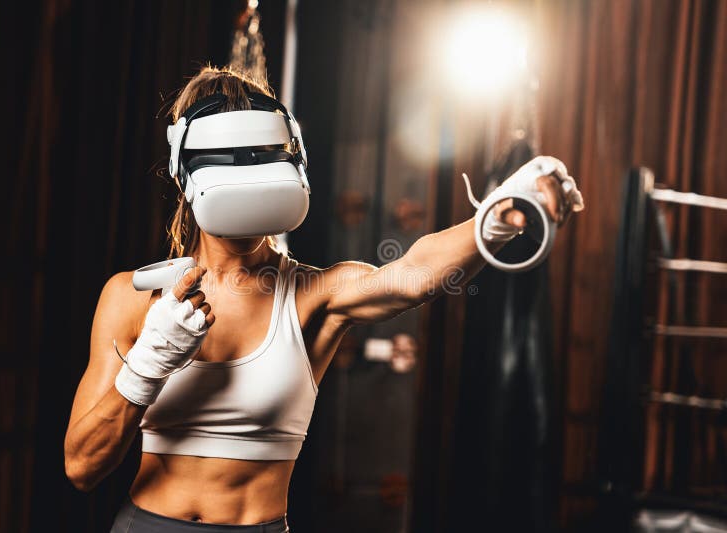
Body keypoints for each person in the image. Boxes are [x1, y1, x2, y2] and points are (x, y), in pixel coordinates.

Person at [63, 66, 583, 532]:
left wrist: (497, 215)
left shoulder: (314, 294)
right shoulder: (133, 299)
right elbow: (83, 466)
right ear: (187, 171)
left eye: (262, 155)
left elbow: (415, 275)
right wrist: (149, 361)